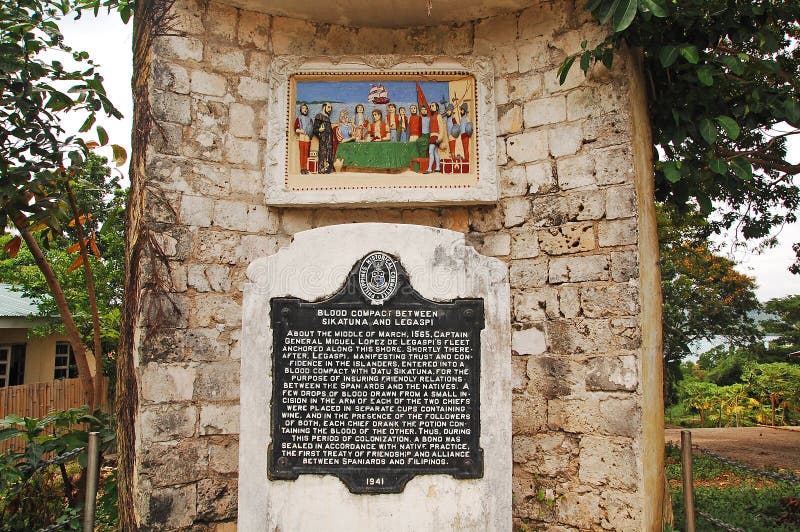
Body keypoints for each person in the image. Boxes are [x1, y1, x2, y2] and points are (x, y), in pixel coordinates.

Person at [312, 102, 335, 173]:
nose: (330, 109)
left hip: (329, 140)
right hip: (323, 139)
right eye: (328, 107)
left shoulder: (327, 117)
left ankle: (328, 169)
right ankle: (321, 169)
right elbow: (315, 129)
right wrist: (319, 130)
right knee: (323, 153)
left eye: (331, 107)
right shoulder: (319, 116)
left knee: (329, 154)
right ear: (324, 107)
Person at [425, 102, 446, 173]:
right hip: (432, 136)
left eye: (433, 106)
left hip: (436, 136)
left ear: (437, 108)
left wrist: (439, 138)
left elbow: (441, 128)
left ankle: (429, 169)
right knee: (435, 152)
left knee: (430, 152)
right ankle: (438, 167)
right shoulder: (431, 117)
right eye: (431, 106)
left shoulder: (438, 116)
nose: (431, 107)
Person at [294, 103, 313, 174]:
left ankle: (306, 168)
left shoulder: (310, 119)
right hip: (302, 138)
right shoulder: (298, 119)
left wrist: (309, 134)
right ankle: (302, 168)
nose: (305, 110)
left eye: (306, 108)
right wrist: (301, 131)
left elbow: (311, 129)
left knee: (306, 154)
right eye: (303, 108)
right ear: (301, 110)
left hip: (307, 139)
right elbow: (296, 129)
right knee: (302, 154)